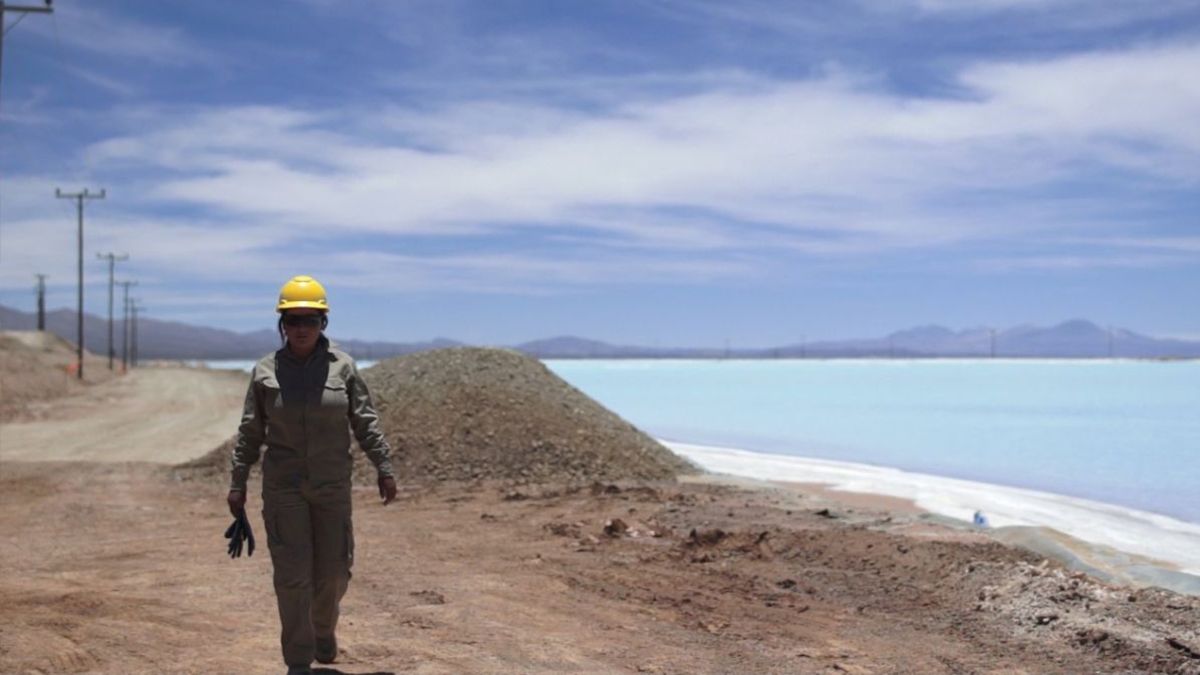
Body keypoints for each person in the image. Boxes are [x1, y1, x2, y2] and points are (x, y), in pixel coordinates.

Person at [227, 275, 397, 675]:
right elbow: (250, 430)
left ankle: (324, 628)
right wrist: (237, 483)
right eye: (292, 320)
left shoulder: (344, 368)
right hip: (284, 488)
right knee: (292, 575)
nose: (301, 328)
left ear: (324, 323)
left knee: (334, 572)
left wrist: (383, 467)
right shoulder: (265, 371)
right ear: (282, 324)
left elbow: (366, 421)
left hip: (331, 486)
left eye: (310, 320)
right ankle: (298, 658)